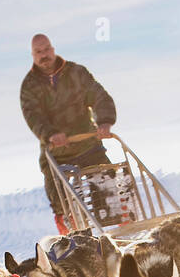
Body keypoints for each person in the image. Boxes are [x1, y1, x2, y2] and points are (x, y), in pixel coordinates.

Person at [19, 33, 117, 234]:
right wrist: (52, 134)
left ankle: (119, 225)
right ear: (33, 55)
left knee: (108, 181)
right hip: (57, 152)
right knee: (58, 195)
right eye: (39, 52)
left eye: (46, 49)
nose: (44, 55)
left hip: (88, 144)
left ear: (53, 49)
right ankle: (71, 235)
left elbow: (99, 96)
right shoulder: (29, 86)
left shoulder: (76, 73)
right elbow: (34, 117)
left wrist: (105, 122)